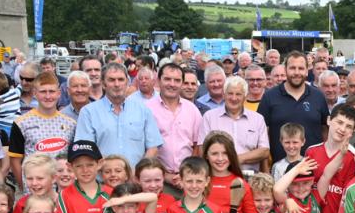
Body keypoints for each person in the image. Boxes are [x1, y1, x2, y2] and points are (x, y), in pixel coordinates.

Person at [75, 62, 162, 171]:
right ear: (103, 83)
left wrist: (138, 173)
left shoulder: (143, 111)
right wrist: (109, 172)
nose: (117, 84)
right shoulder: (88, 113)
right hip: (102, 181)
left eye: (121, 80)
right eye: (111, 80)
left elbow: (153, 148)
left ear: (127, 82)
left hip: (135, 181)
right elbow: (85, 151)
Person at [7, 71, 77, 186]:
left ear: (59, 93)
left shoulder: (71, 123)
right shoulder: (21, 123)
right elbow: (15, 161)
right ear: (35, 93)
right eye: (43, 92)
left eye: (52, 91)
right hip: (35, 189)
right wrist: (25, 187)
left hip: (63, 189)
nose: (48, 96)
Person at [259, 51, 328, 162]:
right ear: (285, 70)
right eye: (292, 68)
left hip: (314, 166)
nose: (296, 72)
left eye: (301, 68)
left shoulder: (318, 96)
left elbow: (325, 130)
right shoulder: (269, 97)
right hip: (281, 169)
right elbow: (262, 135)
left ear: (307, 71)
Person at [145, 62, 202, 192]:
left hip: (188, 180)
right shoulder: (146, 109)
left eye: (177, 80)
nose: (172, 84)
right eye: (167, 79)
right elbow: (144, 148)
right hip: (157, 181)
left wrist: (187, 173)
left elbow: (197, 146)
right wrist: (165, 175)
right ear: (158, 81)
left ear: (181, 83)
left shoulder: (192, 110)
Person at [204, 75, 270, 173]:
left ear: (245, 96)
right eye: (230, 93)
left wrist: (237, 159)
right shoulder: (209, 117)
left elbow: (264, 151)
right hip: (218, 176)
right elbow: (203, 149)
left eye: (238, 94)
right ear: (224, 94)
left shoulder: (257, 119)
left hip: (249, 177)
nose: (234, 98)